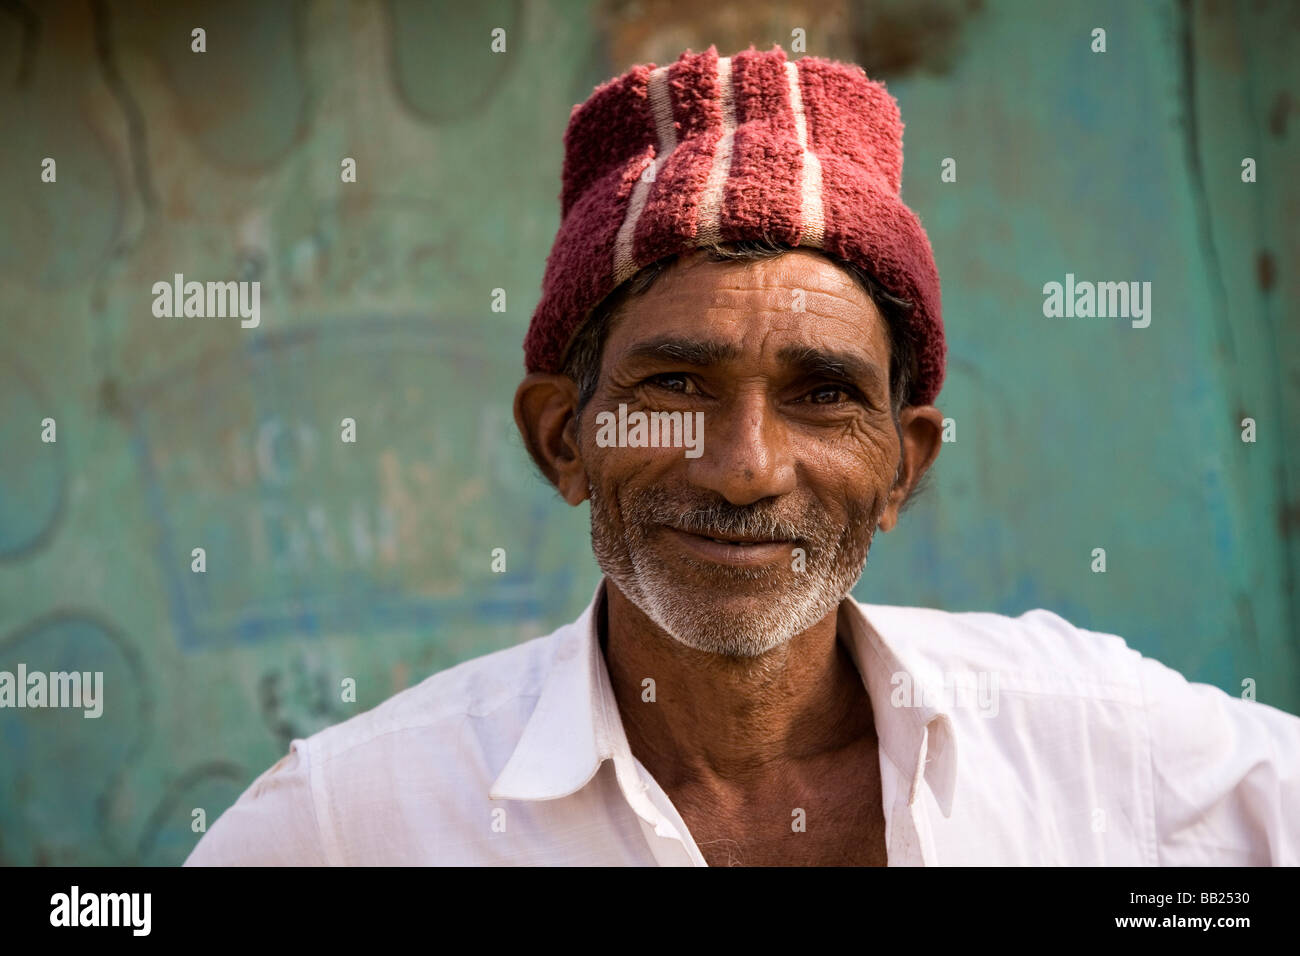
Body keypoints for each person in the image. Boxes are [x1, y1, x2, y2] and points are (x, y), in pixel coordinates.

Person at [186, 44, 1300, 867]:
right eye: (673, 385)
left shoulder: (1098, 743)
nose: (743, 468)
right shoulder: (356, 819)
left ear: (902, 467)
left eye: (823, 395)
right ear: (563, 438)